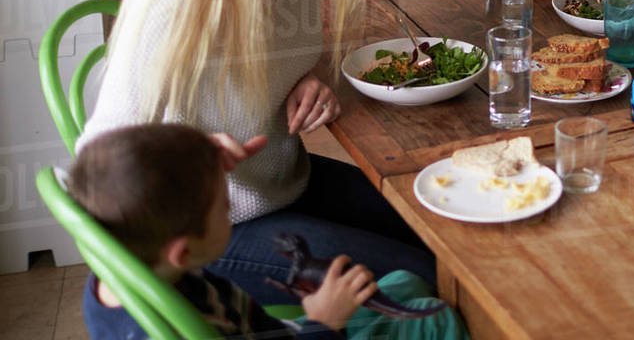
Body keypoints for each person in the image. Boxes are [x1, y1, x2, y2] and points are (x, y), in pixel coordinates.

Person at [76, 0, 436, 304]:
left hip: (287, 183)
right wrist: (194, 162)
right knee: (426, 272)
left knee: (445, 230)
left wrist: (317, 79)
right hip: (215, 227)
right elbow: (101, 153)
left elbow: (286, 52)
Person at [70, 123, 467, 340]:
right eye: (225, 208)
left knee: (404, 282)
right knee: (444, 321)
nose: (234, 209)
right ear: (184, 253)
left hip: (274, 327)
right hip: (309, 331)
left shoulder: (129, 260)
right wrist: (322, 323)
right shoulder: (168, 329)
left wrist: (196, 161)